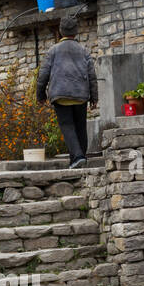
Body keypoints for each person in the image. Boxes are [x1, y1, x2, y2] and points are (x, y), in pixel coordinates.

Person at [35, 13, 98, 169]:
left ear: (61, 31)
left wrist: (40, 94)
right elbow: (92, 76)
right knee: (80, 127)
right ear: (75, 31)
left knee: (67, 126)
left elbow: (43, 75)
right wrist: (94, 97)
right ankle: (79, 159)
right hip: (80, 96)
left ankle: (77, 157)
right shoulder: (83, 50)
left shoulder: (53, 51)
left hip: (61, 95)